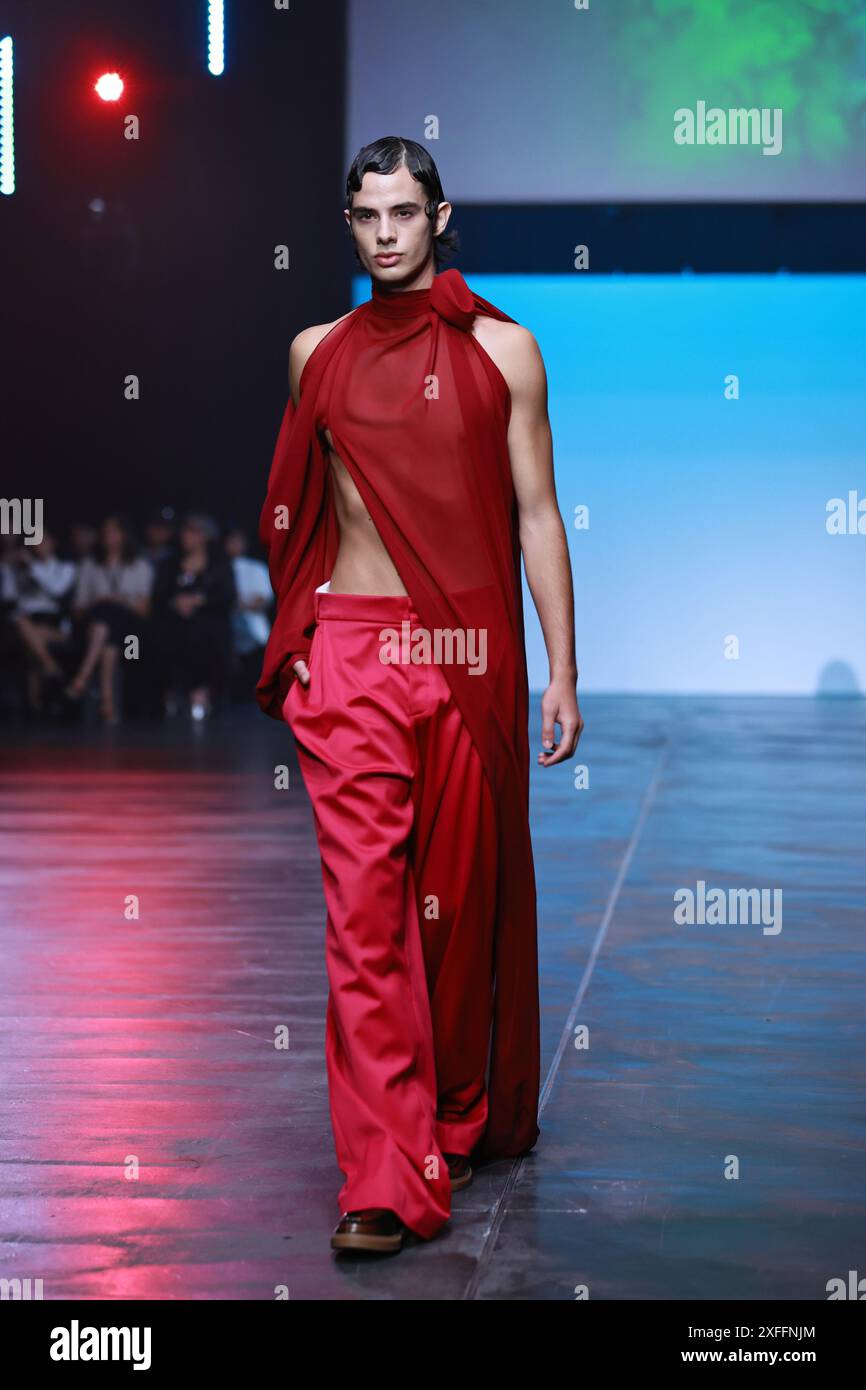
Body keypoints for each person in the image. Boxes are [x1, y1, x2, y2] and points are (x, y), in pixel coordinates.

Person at [257, 136, 584, 1254]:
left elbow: (536, 513)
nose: (386, 233)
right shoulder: (316, 353)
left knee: (452, 911)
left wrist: (562, 668)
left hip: (464, 660)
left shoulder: (505, 350)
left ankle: (453, 1113)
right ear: (348, 224)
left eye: (404, 212)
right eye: (367, 215)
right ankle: (383, 1182)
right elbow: (296, 507)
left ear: (441, 218)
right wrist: (300, 634)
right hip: (351, 656)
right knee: (365, 926)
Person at [66, 515, 153, 723]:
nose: (109, 536)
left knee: (111, 619)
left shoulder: (139, 565)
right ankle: (107, 702)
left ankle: (81, 678)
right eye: (105, 531)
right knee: (106, 623)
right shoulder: (90, 565)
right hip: (94, 625)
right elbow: (77, 610)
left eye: (114, 531)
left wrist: (120, 600)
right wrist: (100, 602)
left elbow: (145, 611)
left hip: (132, 638)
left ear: (124, 535)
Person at [151, 513, 236, 720]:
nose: (186, 536)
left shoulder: (219, 563)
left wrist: (199, 600)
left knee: (202, 632)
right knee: (169, 633)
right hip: (174, 621)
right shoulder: (170, 562)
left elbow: (228, 595)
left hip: (209, 622)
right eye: (185, 531)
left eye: (192, 532)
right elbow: (159, 595)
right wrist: (176, 601)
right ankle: (173, 691)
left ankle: (201, 690)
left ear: (204, 536)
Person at [4, 531, 77, 715]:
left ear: (52, 542)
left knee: (32, 640)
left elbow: (57, 590)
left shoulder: (65, 568)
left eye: (42, 540)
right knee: (24, 627)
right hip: (24, 622)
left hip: (53, 624)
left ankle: (35, 702)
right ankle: (50, 668)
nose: (38, 544)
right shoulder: (19, 569)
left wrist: (33, 567)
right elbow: (8, 596)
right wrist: (7, 566)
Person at [224, 525, 272, 692]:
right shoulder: (219, 567)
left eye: (238, 540)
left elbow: (263, 599)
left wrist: (239, 604)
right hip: (227, 633)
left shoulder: (256, 568)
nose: (235, 544)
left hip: (255, 633)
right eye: (231, 540)